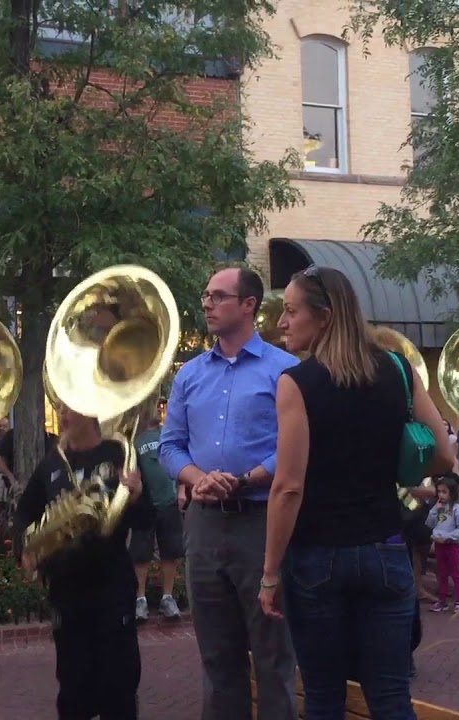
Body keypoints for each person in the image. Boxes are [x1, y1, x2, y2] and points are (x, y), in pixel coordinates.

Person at [256, 265, 453, 720]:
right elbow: (444, 455)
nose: (282, 322)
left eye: (291, 311)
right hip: (385, 547)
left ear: (324, 317)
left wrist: (269, 573)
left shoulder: (297, 382)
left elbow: (288, 487)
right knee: (391, 697)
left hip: (316, 555)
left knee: (324, 698)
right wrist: (390, 466)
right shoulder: (399, 369)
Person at [160, 265, 301, 720]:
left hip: (262, 522)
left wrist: (251, 477)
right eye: (206, 296)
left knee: (273, 655)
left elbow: (299, 446)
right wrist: (197, 477)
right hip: (204, 524)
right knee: (217, 657)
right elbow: (169, 445)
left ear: (248, 305)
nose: (207, 304)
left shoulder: (286, 370)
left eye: (218, 296)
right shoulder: (189, 375)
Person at [16, 402, 152, 720]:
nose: (62, 415)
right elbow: (24, 512)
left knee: (118, 691)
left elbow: (146, 520)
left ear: (89, 412)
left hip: (111, 589)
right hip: (67, 593)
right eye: (59, 408)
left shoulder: (118, 455)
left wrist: (136, 497)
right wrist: (25, 549)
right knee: (73, 692)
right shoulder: (53, 462)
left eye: (69, 409)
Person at [130, 404, 183, 621]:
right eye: (152, 406)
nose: (157, 410)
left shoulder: (167, 435)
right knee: (140, 554)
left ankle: (167, 598)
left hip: (169, 503)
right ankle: (140, 599)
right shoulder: (133, 440)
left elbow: (180, 462)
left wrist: (182, 489)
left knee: (170, 551)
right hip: (144, 506)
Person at [427, 476, 459, 613]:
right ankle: (442, 600)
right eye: (439, 491)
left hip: (451, 545)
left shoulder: (457, 509)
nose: (441, 495)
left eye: (444, 492)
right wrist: (434, 510)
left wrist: (448, 537)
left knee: (455, 573)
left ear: (452, 493)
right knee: (442, 573)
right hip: (439, 544)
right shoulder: (437, 508)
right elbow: (429, 524)